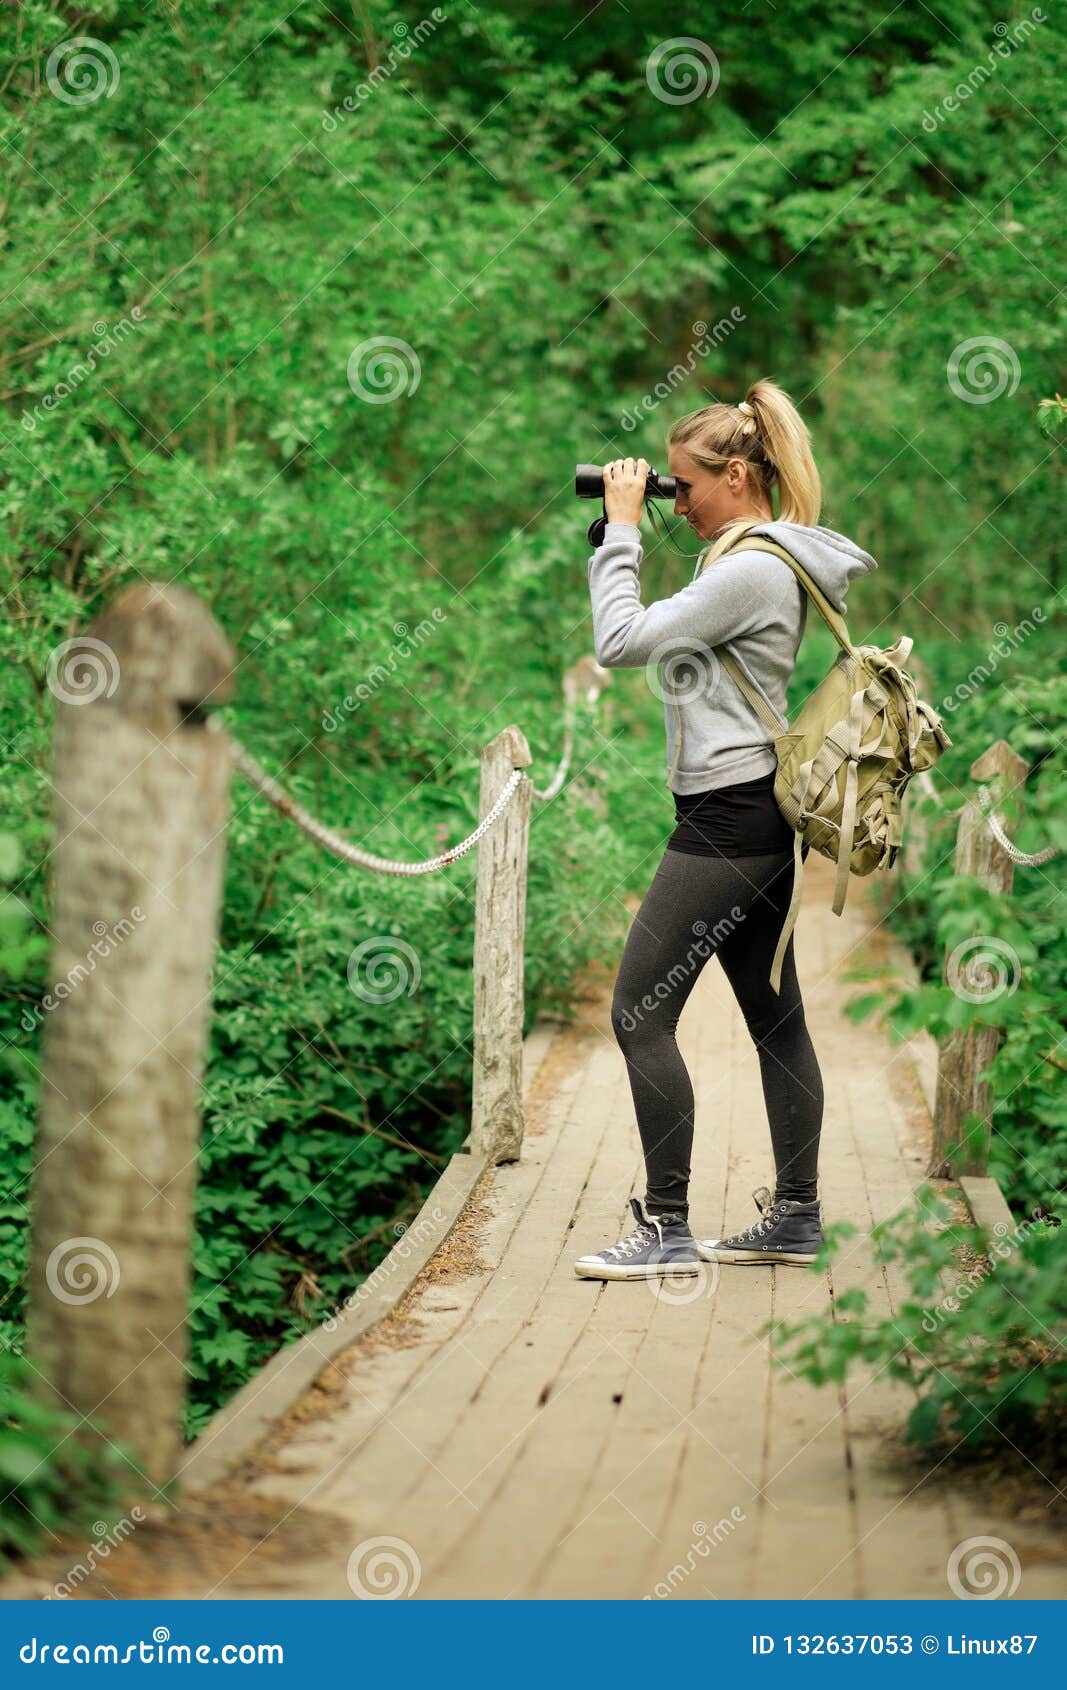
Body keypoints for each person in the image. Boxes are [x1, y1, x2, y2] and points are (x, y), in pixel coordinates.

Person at [573, 379, 878, 1282]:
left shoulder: (750, 567)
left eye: (684, 487)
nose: (679, 504)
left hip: (724, 820)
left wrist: (622, 528)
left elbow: (620, 641)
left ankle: (665, 1225)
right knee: (774, 1022)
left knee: (638, 1013)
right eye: (664, 487)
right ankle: (794, 1217)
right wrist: (621, 531)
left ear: (738, 475)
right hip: (754, 815)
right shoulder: (751, 558)